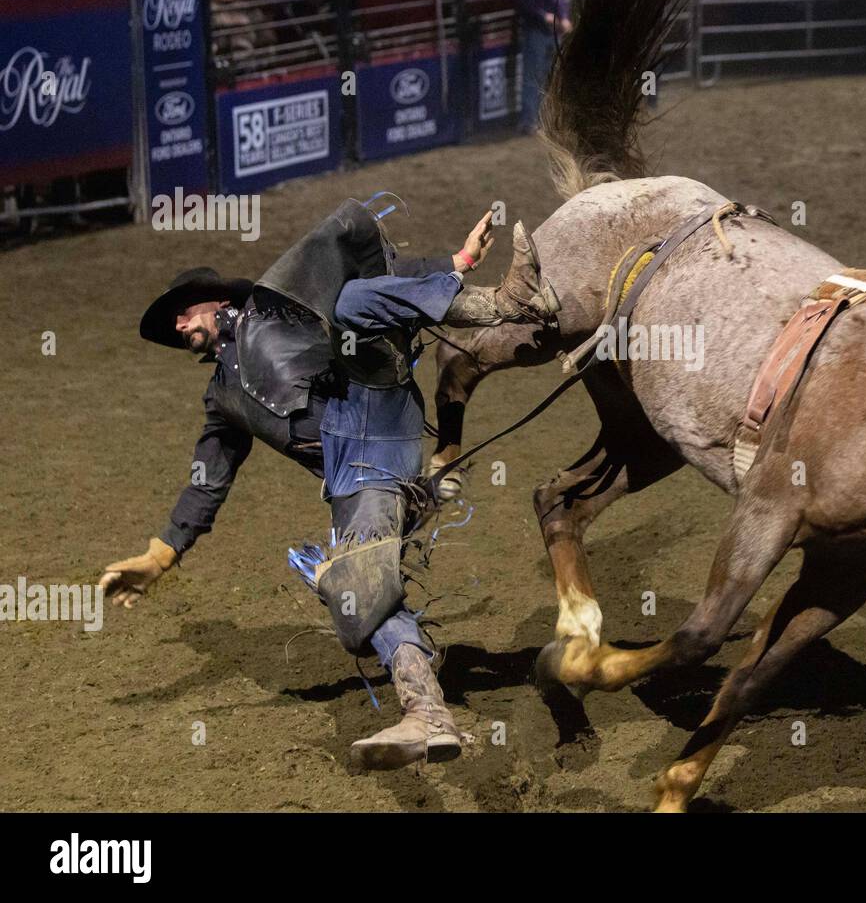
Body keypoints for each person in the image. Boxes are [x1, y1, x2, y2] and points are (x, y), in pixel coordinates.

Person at [98, 199, 560, 770]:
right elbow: (207, 478)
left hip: (373, 407)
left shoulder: (278, 306)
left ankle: (504, 304)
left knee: (348, 299)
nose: (176, 325)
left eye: (181, 311)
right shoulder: (222, 397)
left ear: (219, 302)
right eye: (171, 325)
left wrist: (458, 259)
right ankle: (428, 711)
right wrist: (160, 554)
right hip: (351, 474)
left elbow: (383, 281)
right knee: (359, 598)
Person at [513, 0, 570, 134]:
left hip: (553, 29)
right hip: (537, 27)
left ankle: (545, 118)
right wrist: (544, 15)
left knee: (549, 74)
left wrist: (564, 17)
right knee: (534, 74)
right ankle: (529, 120)